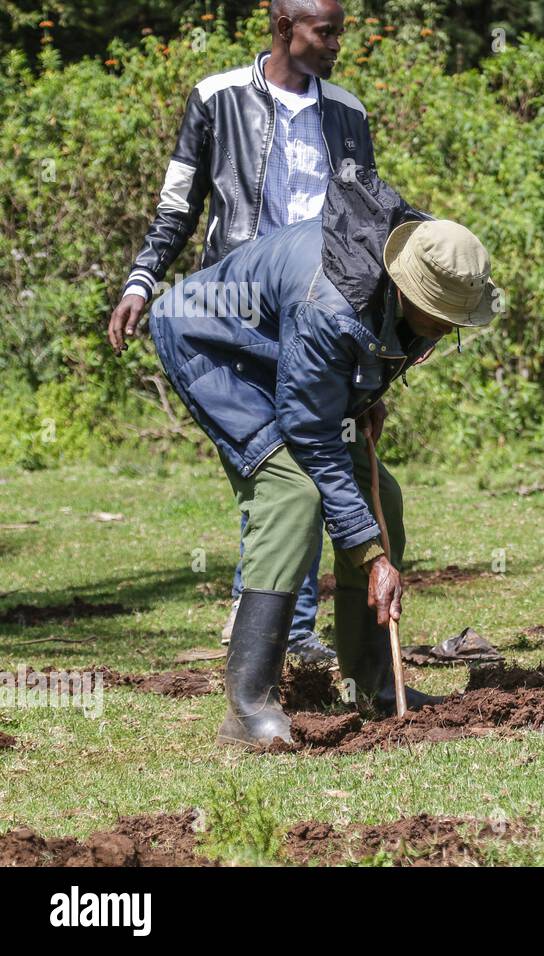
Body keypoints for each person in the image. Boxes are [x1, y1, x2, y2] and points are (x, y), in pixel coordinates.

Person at [145, 169, 498, 747]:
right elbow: (310, 430)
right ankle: (248, 705)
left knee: (389, 500)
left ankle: (373, 685)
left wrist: (364, 397)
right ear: (408, 289)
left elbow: (364, 348)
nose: (445, 329)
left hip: (290, 355)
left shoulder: (422, 258)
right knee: (292, 494)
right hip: (217, 348)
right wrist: (368, 554)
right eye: (440, 317)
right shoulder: (330, 307)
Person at [108, 0, 373, 663]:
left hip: (321, 310)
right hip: (237, 310)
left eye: (340, 30)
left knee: (309, 459)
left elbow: (365, 216)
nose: (338, 43)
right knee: (282, 465)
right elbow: (180, 202)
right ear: (285, 29)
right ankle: (285, 634)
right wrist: (142, 280)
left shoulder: (347, 110)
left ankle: (285, 634)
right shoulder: (216, 97)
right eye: (326, 31)